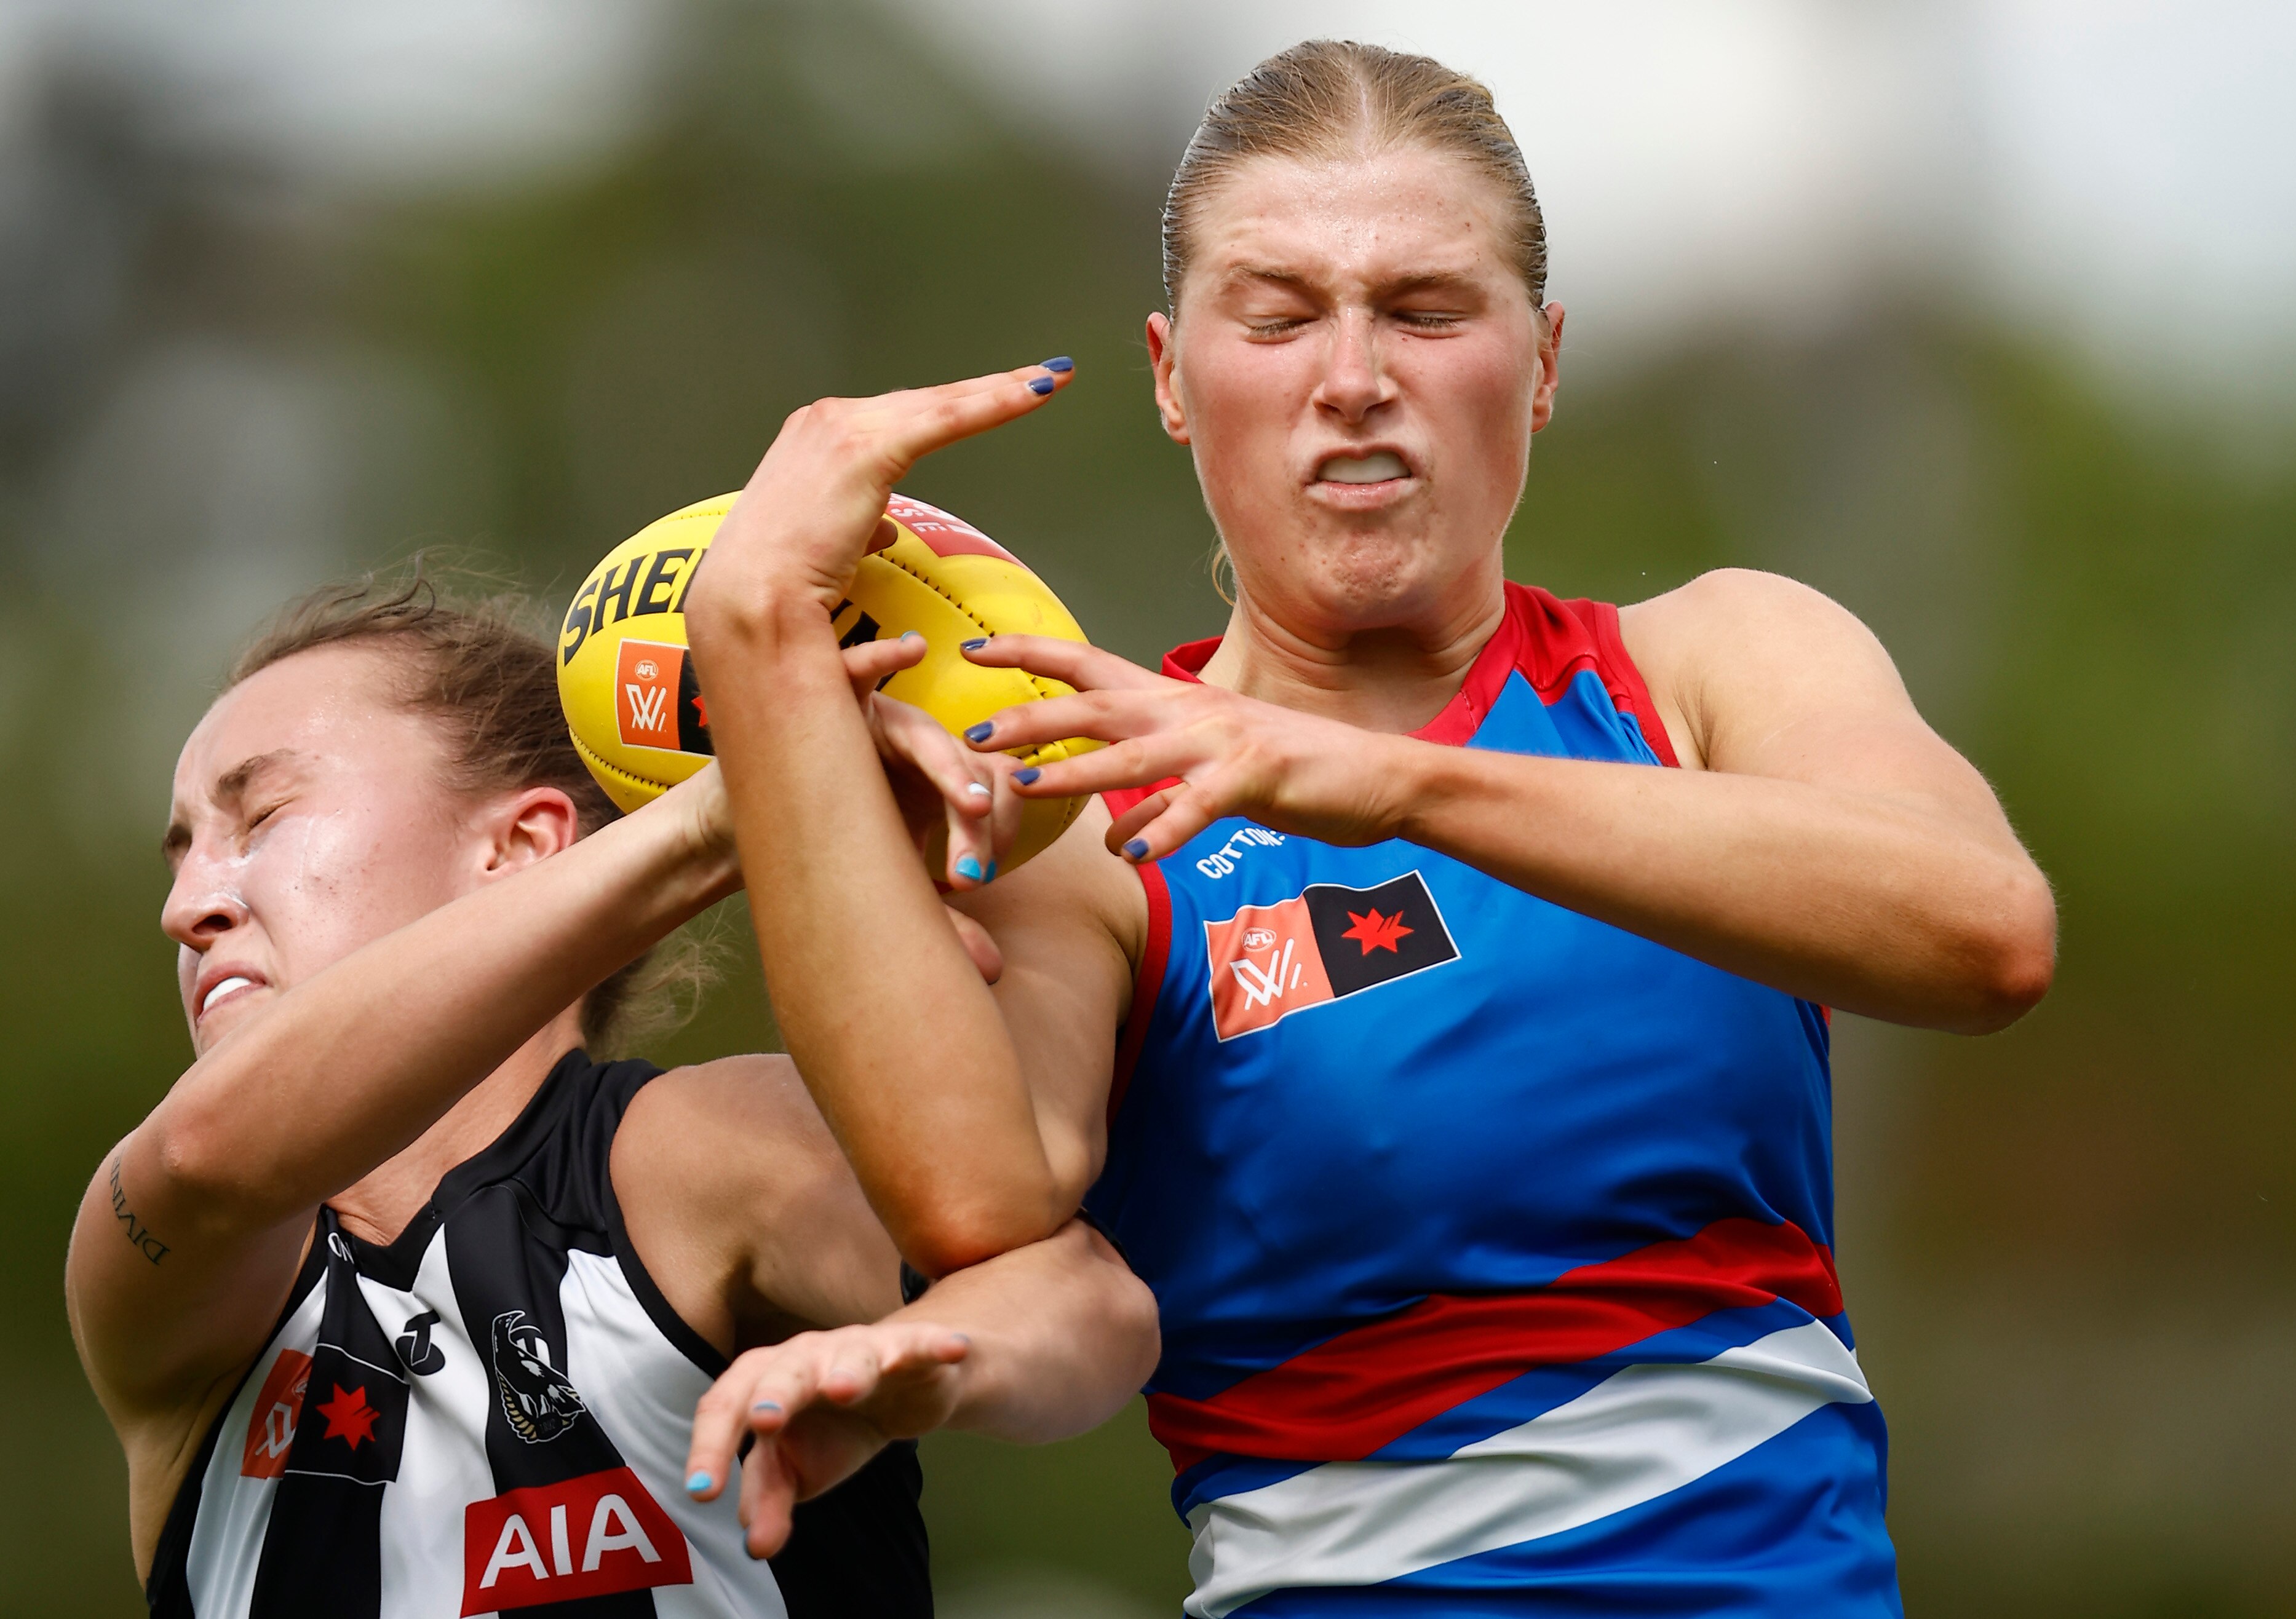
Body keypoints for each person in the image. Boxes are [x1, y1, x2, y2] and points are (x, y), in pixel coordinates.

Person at [680, 40, 2056, 1619]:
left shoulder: (1711, 662)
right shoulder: (1101, 819)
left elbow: (1981, 931)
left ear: (1538, 362)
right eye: (1275, 318)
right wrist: (762, 650)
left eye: (1425, 310)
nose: (1353, 376)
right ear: (1170, 375)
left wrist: (1394, 784)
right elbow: (977, 1198)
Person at [63, 576, 1158, 1618]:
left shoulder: (686, 1153)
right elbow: (211, 1154)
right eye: (183, 855)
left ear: (523, 848)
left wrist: (933, 1359)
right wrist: (733, 809)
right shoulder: (173, 1260)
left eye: (258, 819)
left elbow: (1092, 1305)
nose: (188, 906)